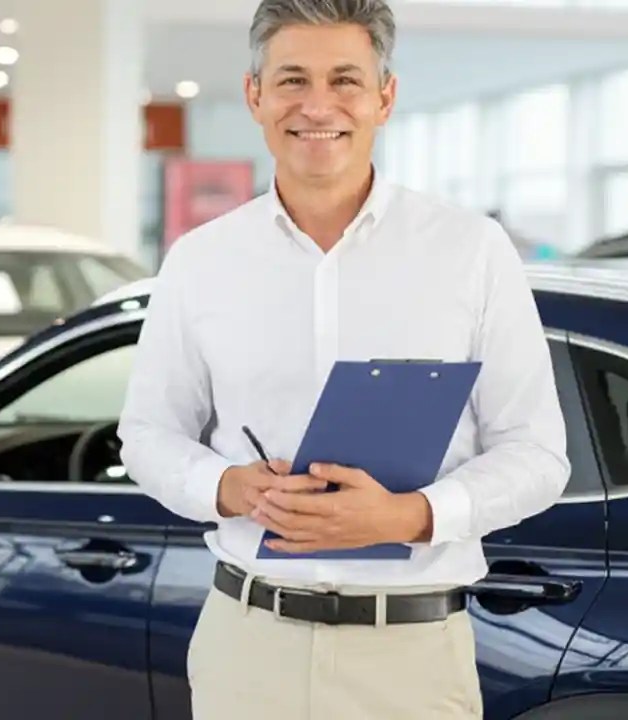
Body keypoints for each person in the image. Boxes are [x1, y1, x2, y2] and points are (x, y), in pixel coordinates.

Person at [117, 0, 570, 717]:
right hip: (248, 646)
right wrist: (227, 487)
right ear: (255, 95)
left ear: (384, 97)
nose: (318, 105)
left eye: (345, 80)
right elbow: (146, 434)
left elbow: (538, 454)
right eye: (292, 80)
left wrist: (411, 515)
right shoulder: (201, 260)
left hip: (411, 657)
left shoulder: (470, 251)